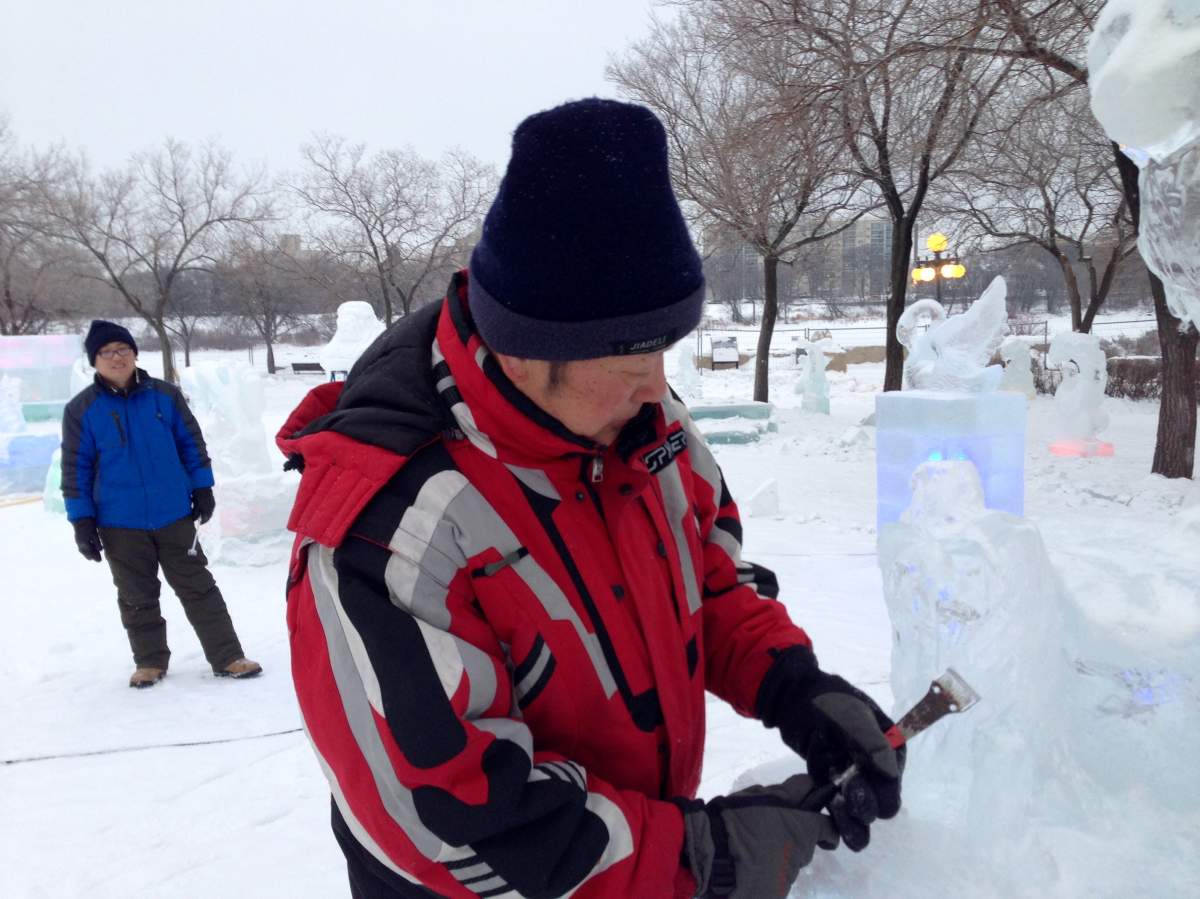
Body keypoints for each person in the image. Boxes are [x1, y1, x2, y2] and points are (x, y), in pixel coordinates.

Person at [277, 99, 903, 899]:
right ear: (530, 352)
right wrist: (702, 859)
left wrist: (795, 686)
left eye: (664, 350)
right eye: (633, 359)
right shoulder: (390, 520)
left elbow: (707, 578)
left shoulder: (636, 422)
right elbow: (452, 815)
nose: (659, 387)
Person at [61, 320, 262, 688]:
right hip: (119, 521)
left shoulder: (165, 397)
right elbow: (76, 467)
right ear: (95, 361)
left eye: (123, 349)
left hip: (173, 514)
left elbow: (191, 444)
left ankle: (228, 655)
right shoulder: (82, 409)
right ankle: (150, 661)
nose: (116, 357)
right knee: (137, 595)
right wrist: (82, 521)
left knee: (198, 586)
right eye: (107, 352)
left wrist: (202, 488)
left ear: (135, 353)